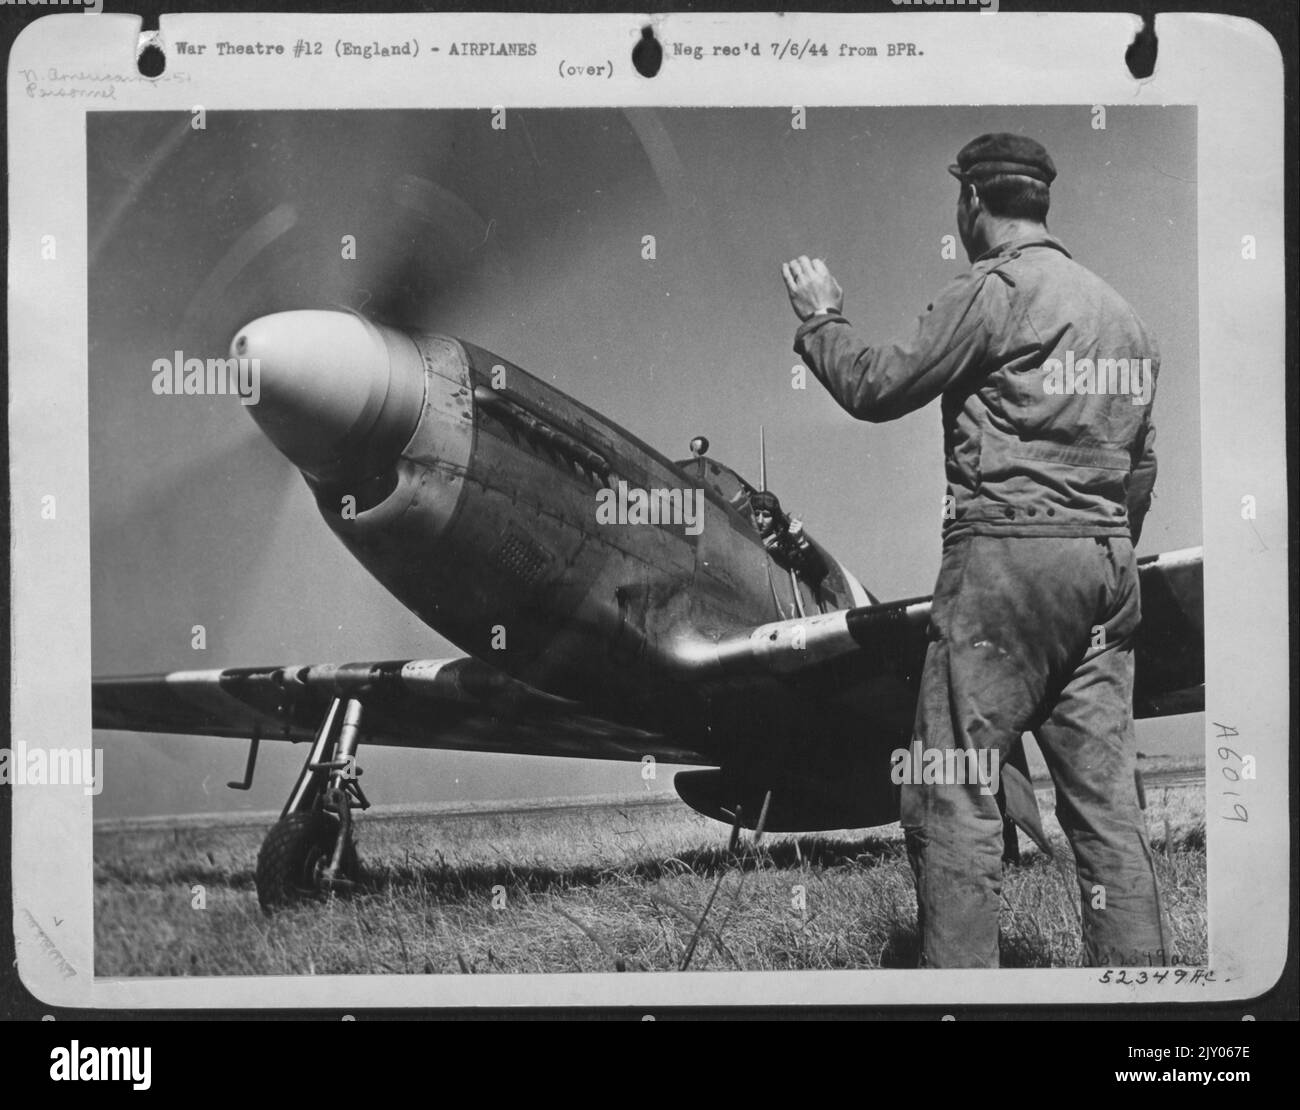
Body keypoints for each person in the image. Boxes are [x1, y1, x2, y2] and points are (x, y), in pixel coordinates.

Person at [782, 133, 1168, 968]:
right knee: (1107, 812)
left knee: (951, 789)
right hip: (1106, 568)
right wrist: (1091, 544)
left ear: (970, 203)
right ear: (1041, 202)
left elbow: (877, 386)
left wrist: (821, 320)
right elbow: (1140, 470)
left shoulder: (993, 292)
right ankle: (1145, 1006)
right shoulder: (1126, 318)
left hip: (1004, 567)